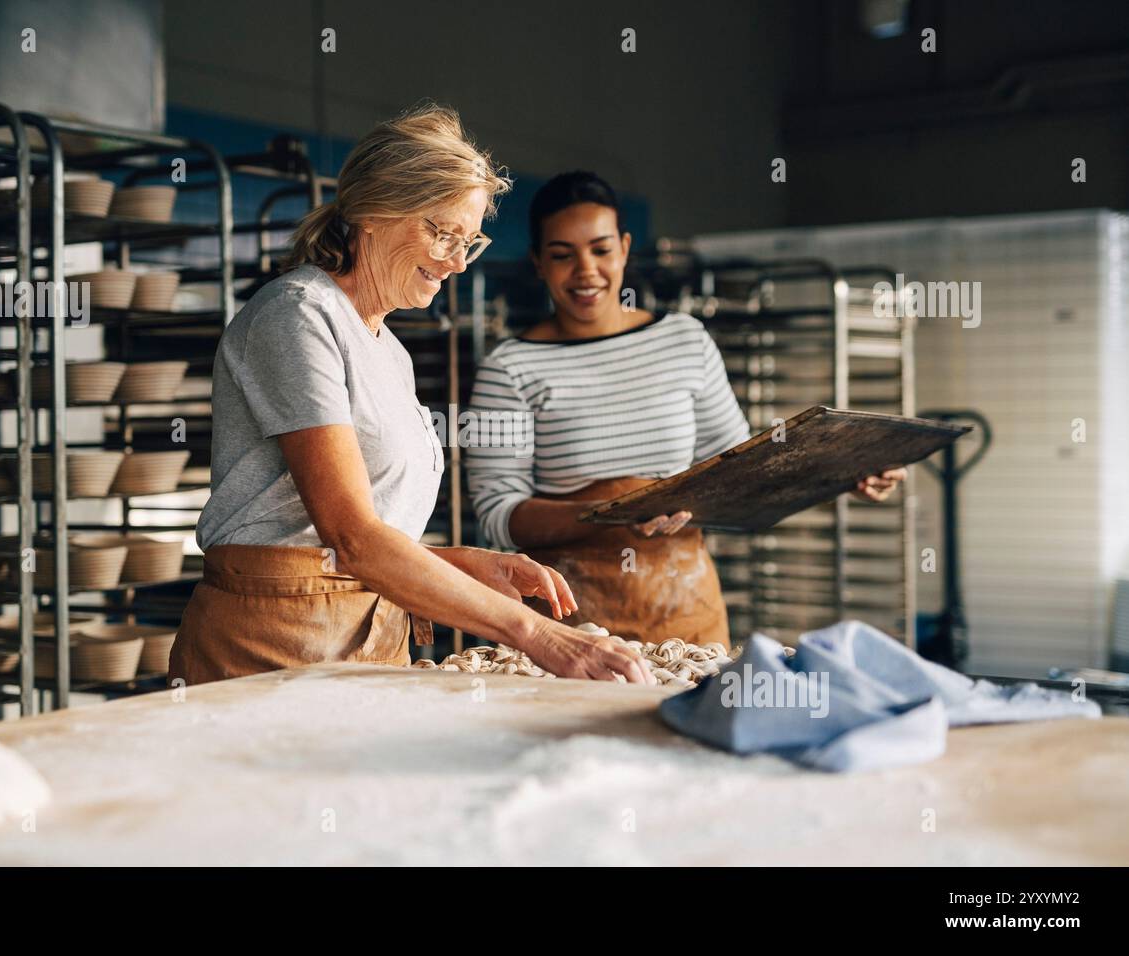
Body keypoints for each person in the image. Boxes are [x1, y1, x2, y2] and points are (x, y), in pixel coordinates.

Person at [170, 112, 654, 687]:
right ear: (372, 212)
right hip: (269, 648)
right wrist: (537, 635)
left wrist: (464, 565)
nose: (455, 262)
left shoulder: (388, 349)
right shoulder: (298, 316)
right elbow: (349, 540)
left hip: (366, 644)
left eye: (469, 242)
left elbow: (352, 542)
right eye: (442, 234)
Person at [466, 171, 905, 647]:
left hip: (688, 617)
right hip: (569, 623)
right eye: (561, 255)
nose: (586, 271)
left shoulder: (685, 340)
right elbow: (498, 512)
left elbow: (743, 472)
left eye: (601, 249)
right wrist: (608, 513)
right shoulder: (507, 368)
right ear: (537, 263)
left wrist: (842, 474)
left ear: (625, 247)